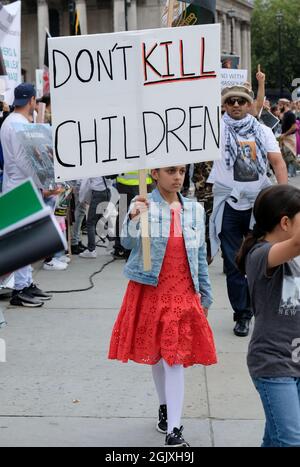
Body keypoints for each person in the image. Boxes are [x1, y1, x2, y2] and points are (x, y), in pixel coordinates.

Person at [108, 165, 217, 447]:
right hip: (151, 289)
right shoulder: (143, 204)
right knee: (157, 356)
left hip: (182, 291)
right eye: (171, 171)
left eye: (182, 171)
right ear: (155, 174)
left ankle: (174, 429)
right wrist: (133, 216)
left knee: (174, 358)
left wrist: (205, 293)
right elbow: (127, 243)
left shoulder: (193, 210)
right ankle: (165, 407)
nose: (178, 177)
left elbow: (199, 254)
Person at [208, 85, 288, 337]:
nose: (235, 105)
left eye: (241, 101)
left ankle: (259, 309)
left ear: (248, 104)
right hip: (229, 205)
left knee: (261, 261)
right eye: (230, 101)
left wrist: (283, 200)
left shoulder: (262, 131)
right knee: (233, 264)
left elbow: (277, 163)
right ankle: (242, 314)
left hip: (258, 205)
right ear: (224, 105)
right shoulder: (214, 128)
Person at [236, 185, 300, 447]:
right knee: (291, 441)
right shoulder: (260, 255)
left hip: (295, 359)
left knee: (275, 439)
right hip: (273, 363)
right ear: (285, 222)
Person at [0, 83, 52, 307]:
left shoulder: (10, 121)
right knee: (24, 240)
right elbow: (25, 159)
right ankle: (21, 288)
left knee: (27, 239)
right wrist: (43, 182)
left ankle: (25, 283)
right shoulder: (19, 124)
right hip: (23, 186)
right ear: (32, 100)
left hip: (17, 184)